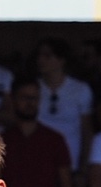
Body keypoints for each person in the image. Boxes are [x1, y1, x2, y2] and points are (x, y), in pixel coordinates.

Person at [33, 39, 94, 170]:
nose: (41, 60)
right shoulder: (33, 88)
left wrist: (83, 168)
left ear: (61, 60)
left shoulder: (80, 89)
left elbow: (86, 130)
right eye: (39, 55)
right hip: (38, 161)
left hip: (70, 161)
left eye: (47, 56)